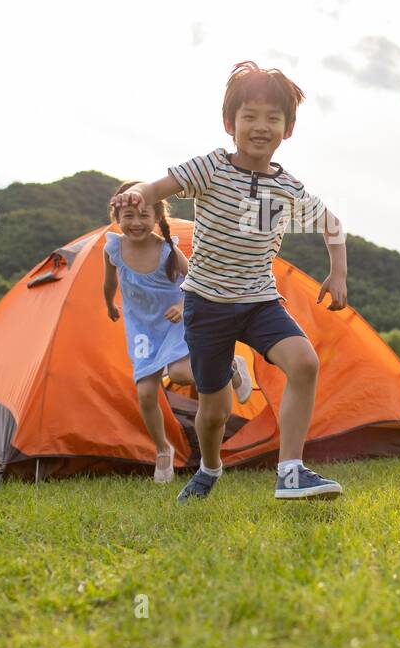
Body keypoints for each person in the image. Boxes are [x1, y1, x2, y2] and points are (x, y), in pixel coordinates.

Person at [109, 61, 347, 502]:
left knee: (305, 363)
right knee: (215, 411)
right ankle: (210, 467)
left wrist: (338, 273)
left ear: (288, 129)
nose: (261, 127)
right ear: (229, 123)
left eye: (273, 118)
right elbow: (156, 188)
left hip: (259, 302)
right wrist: (135, 194)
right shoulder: (211, 168)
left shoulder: (288, 188)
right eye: (250, 116)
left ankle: (290, 471)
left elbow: (332, 223)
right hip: (207, 304)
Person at [104, 182, 253, 482]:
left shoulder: (166, 251)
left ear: (157, 216)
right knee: (146, 393)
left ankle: (231, 366)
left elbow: (197, 282)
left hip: (175, 323)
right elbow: (109, 283)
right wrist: (109, 304)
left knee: (183, 374)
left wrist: (183, 303)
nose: (136, 223)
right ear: (116, 217)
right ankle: (163, 450)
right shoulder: (113, 248)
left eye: (144, 215)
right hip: (143, 330)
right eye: (128, 216)